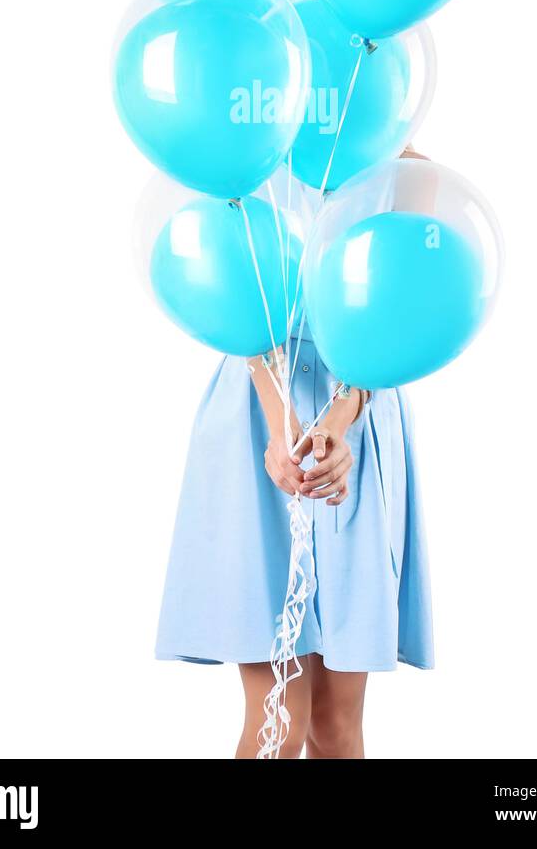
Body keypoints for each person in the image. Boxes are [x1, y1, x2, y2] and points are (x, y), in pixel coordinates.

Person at [155, 150, 434, 759]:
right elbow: (232, 293)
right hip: (260, 406)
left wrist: (343, 411)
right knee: (276, 714)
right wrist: (278, 415)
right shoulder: (246, 144)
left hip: (360, 405)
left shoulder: (407, 169)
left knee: (336, 721)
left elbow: (406, 316)